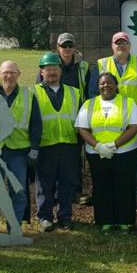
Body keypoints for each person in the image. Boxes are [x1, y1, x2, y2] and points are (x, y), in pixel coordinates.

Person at [75, 71, 137, 233]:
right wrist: (98, 146)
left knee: (124, 186)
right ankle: (105, 221)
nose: (106, 85)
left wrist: (114, 145)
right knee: (101, 186)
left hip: (126, 152)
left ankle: (125, 222)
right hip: (97, 153)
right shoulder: (89, 104)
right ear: (98, 87)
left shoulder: (128, 102)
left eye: (110, 82)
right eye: (102, 83)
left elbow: (134, 126)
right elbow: (82, 128)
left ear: (116, 85)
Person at [0, 60, 41, 233]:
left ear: (19, 75)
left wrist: (35, 147)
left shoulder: (28, 95)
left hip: (19, 152)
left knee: (19, 191)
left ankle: (14, 227)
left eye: (13, 73)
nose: (9, 76)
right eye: (5, 73)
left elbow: (35, 123)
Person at [99, 31, 137, 205]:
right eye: (117, 43)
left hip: (135, 120)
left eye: (124, 42)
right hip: (109, 119)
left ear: (129, 46)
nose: (120, 46)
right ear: (112, 46)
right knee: (112, 154)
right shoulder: (102, 64)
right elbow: (93, 92)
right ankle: (115, 190)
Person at [32, 52, 84, 231]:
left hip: (69, 144)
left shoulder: (74, 92)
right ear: (41, 72)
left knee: (67, 183)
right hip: (45, 145)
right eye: (48, 69)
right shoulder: (33, 93)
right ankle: (44, 217)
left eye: (55, 69)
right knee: (44, 184)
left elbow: (81, 119)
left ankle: (65, 216)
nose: (52, 72)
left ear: (60, 71)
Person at [54, 32, 96, 209]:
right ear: (58, 47)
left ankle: (76, 191)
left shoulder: (84, 66)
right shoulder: (50, 64)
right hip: (55, 117)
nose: (67, 49)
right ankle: (57, 193)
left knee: (76, 158)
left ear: (74, 47)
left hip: (77, 117)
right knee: (55, 156)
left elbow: (89, 92)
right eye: (64, 46)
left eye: (70, 45)